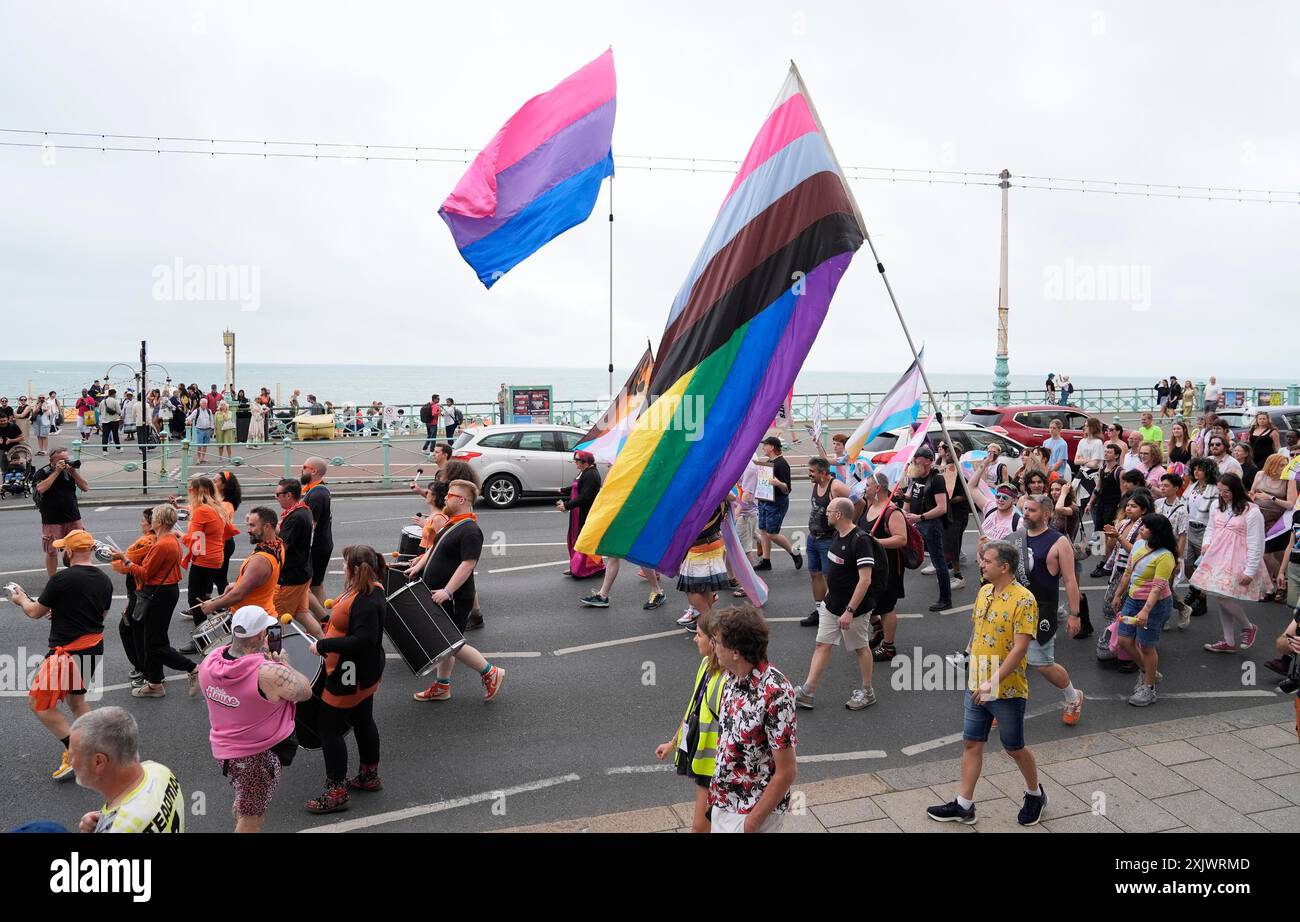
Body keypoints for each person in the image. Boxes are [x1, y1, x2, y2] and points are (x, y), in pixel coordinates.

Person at [927, 541, 1046, 826]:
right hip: (976, 683)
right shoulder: (984, 592)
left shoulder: (1024, 600)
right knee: (971, 742)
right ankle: (964, 805)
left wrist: (993, 682)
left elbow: (1020, 649)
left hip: (1007, 689)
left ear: (1004, 567)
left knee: (1013, 747)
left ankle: (1035, 794)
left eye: (987, 561)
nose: (981, 564)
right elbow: (978, 631)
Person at [197, 605, 313, 833]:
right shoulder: (269, 673)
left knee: (246, 802)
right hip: (256, 757)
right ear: (262, 635)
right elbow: (305, 691)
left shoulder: (210, 662)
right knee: (252, 818)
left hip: (226, 751)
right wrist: (283, 663)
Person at [8, 529, 112, 781]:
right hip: (93, 646)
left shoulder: (61, 580)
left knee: (39, 704)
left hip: (67, 654)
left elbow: (34, 612)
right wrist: (64, 611)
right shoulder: (104, 580)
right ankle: (97, 749)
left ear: (71, 552)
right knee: (77, 701)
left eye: (64, 548)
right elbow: (100, 616)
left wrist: (20, 599)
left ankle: (77, 752)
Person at [304, 545, 387, 814]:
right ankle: (369, 776)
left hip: (350, 673)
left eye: (343, 563)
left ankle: (336, 792)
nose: (341, 567)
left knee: (328, 727)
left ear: (353, 568)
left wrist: (324, 646)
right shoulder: (371, 588)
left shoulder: (364, 598)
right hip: (365, 671)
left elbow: (364, 640)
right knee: (363, 719)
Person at [412, 480, 506, 702]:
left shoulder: (471, 530)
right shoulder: (451, 523)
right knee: (446, 642)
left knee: (449, 642)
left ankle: (490, 672)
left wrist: (447, 591)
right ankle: (442, 686)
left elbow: (468, 565)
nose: (445, 498)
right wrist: (417, 567)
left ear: (461, 500)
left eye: (450, 495)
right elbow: (434, 548)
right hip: (440, 593)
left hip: (454, 597)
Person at [708, 604, 797, 833]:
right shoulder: (732, 676)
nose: (713, 647)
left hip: (750, 812)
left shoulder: (775, 693)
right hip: (724, 802)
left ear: (736, 651)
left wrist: (753, 823)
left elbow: (786, 771)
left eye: (716, 642)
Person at [793, 497, 879, 710]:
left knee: (860, 648)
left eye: (829, 511)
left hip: (853, 611)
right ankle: (808, 691)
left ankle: (867, 691)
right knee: (822, 644)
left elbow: (865, 579)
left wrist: (850, 610)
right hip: (831, 606)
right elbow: (836, 572)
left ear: (839, 515)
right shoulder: (837, 536)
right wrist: (827, 600)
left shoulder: (860, 541)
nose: (826, 514)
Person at [112, 504, 198, 699]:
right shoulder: (170, 540)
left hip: (158, 595)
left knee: (154, 644)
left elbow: (145, 573)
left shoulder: (162, 544)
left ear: (158, 522)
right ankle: (155, 682)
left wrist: (125, 560)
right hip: (166, 592)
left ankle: (192, 668)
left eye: (153, 519)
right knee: (154, 639)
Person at [654, 608, 725, 832]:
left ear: (714, 641)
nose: (694, 639)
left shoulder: (727, 677)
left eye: (699, 635)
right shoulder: (706, 665)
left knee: (699, 828)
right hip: (704, 759)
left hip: (716, 764)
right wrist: (673, 743)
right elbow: (692, 710)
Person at [1017, 493, 1085, 724]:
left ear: (1046, 514)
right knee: (1003, 658)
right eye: (1024, 509)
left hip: (1043, 610)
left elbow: (1069, 580)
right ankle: (1000, 703)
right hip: (1015, 609)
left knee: (1042, 664)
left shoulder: (1058, 541)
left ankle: (1073, 696)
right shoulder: (1016, 538)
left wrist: (1075, 615)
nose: (1025, 513)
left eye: (1031, 510)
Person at [71, 707, 184, 833]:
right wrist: (103, 819)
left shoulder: (117, 828)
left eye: (73, 755)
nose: (71, 762)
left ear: (98, 762)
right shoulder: (160, 771)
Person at [1195, 472, 1271, 654]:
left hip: (1237, 559)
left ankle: (1247, 626)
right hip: (1216, 557)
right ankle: (1228, 641)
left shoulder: (1252, 511)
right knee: (1221, 596)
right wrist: (1206, 544)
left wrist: (1250, 570)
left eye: (1226, 491)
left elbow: (1257, 542)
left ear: (1236, 490)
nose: (1222, 494)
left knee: (1222, 596)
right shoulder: (1217, 505)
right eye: (1220, 491)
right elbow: (1211, 528)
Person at [1111, 513, 1180, 706]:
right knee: (1124, 640)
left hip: (1155, 605)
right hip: (1133, 600)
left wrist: (1145, 611)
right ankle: (1148, 672)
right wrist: (1118, 595)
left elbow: (1157, 588)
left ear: (1157, 532)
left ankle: (1149, 688)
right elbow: (1128, 572)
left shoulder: (1166, 556)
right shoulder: (1140, 545)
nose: (1141, 528)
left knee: (1147, 646)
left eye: (1146, 526)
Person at [198, 507, 284, 628]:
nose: (248, 530)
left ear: (267, 527)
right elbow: (260, 582)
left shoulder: (261, 561)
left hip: (254, 624)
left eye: (253, 526)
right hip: (263, 617)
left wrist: (213, 605)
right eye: (248, 525)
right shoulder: (278, 545)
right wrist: (237, 584)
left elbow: (239, 594)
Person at [797, 457, 853, 626]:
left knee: (831, 578)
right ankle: (820, 610)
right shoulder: (817, 483)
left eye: (812, 472)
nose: (809, 474)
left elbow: (857, 501)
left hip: (829, 540)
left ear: (822, 473)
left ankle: (837, 610)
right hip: (813, 538)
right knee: (815, 573)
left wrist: (849, 526)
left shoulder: (835, 486)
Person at [859, 472, 908, 662]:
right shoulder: (869, 506)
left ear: (877, 488)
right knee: (865, 602)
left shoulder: (892, 511)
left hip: (887, 567)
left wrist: (876, 542)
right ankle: (878, 628)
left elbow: (901, 539)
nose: (865, 488)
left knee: (887, 607)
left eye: (868, 485)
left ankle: (889, 647)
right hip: (870, 565)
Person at [178, 475, 228, 648]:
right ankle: (228, 626)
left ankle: (201, 639)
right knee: (205, 596)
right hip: (216, 556)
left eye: (190, 488)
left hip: (204, 559)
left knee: (195, 600)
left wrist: (180, 536)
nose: (188, 491)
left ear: (197, 492)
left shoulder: (201, 511)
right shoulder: (216, 508)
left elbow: (195, 541)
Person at [273, 478, 324, 639]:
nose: (276, 497)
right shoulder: (304, 510)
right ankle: (324, 647)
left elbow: (282, 547)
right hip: (303, 572)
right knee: (302, 613)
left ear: (288, 495)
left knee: (275, 618)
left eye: (278, 494)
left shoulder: (295, 517)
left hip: (290, 576)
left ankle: (275, 655)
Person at [904, 445, 951, 611]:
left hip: (930, 524)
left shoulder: (937, 479)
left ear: (929, 461)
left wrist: (920, 517)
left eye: (918, 458)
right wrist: (903, 502)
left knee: (938, 561)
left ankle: (945, 599)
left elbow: (941, 507)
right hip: (917, 522)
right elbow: (911, 498)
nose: (915, 460)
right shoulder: (916, 477)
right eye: (915, 457)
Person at [674, 502, 731, 633]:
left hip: (701, 547)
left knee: (692, 589)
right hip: (714, 541)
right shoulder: (720, 492)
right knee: (704, 587)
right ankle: (706, 621)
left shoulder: (704, 496)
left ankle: (709, 621)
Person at [34, 447, 89, 578]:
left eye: (66, 459)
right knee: (52, 551)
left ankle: (77, 576)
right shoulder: (43, 472)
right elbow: (41, 488)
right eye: (61, 460)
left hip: (73, 516)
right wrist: (56, 472)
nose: (65, 462)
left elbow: (85, 487)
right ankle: (52, 579)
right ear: (51, 460)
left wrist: (73, 472)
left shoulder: (69, 471)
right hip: (52, 518)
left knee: (78, 548)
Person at [558, 450, 605, 580]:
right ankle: (577, 566)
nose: (575, 463)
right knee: (577, 539)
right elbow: (577, 486)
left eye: (577, 460)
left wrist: (567, 505)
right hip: (577, 512)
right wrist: (563, 490)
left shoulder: (591, 475)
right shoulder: (585, 472)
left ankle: (589, 568)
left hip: (585, 512)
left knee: (583, 540)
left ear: (585, 462)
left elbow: (585, 496)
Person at [754, 436, 800, 571]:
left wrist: (778, 483)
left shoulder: (782, 464)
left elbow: (787, 489)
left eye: (765, 445)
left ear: (772, 447)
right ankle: (766, 561)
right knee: (763, 531)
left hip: (777, 502)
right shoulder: (768, 462)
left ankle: (794, 553)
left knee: (772, 534)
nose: (763, 447)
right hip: (764, 500)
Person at [1182, 457, 1219, 618]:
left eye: (1200, 469)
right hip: (1189, 528)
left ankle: (1202, 599)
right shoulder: (1192, 486)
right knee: (1188, 564)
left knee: (1204, 566)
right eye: (1194, 469)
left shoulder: (1215, 489)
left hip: (1205, 530)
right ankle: (1194, 587)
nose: (1196, 472)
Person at [1252, 454, 1293, 596]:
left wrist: (1270, 497)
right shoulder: (1260, 475)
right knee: (1265, 554)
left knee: (1268, 554)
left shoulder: (1289, 480)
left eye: (1285, 465)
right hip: (1258, 517)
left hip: (1276, 521)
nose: (1284, 468)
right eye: (1281, 465)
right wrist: (1251, 497)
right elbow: (1252, 492)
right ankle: (1270, 587)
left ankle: (1283, 583)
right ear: (1272, 465)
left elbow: (1290, 504)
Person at [1154, 472, 1191, 626]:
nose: (1162, 488)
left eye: (1166, 486)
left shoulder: (1182, 509)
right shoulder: (1158, 504)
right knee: (1159, 586)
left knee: (1164, 587)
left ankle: (1176, 611)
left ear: (1176, 488)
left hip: (1171, 552)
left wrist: (1177, 558)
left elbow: (1182, 536)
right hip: (1156, 548)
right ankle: (1171, 613)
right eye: (1161, 485)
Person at [934, 441, 971, 589]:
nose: (949, 454)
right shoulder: (942, 470)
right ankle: (949, 569)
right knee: (945, 544)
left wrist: (948, 500)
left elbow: (965, 495)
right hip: (946, 513)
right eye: (947, 451)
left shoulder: (961, 473)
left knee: (953, 544)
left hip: (958, 515)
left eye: (953, 452)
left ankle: (958, 576)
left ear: (959, 454)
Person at [301, 457, 334, 617]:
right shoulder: (319, 490)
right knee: (316, 584)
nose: (302, 470)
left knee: (304, 586)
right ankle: (323, 621)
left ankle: (322, 619)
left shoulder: (317, 494)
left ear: (313, 471)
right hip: (323, 544)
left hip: (317, 546)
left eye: (304, 467)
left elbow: (310, 525)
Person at [213, 470, 242, 593]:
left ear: (224, 485)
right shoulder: (216, 500)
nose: (212, 483)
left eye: (215, 481)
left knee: (219, 578)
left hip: (224, 544)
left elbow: (218, 517)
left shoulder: (227, 504)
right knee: (213, 576)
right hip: (220, 543)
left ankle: (224, 604)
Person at [188, 397, 216, 465]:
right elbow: (190, 417)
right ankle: (198, 458)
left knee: (205, 445)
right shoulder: (196, 411)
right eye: (203, 403)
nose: (205, 405)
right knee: (199, 445)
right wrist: (188, 420)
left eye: (206, 403)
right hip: (200, 430)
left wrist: (212, 428)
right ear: (200, 404)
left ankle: (202, 458)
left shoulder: (209, 411)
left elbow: (211, 420)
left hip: (207, 429)